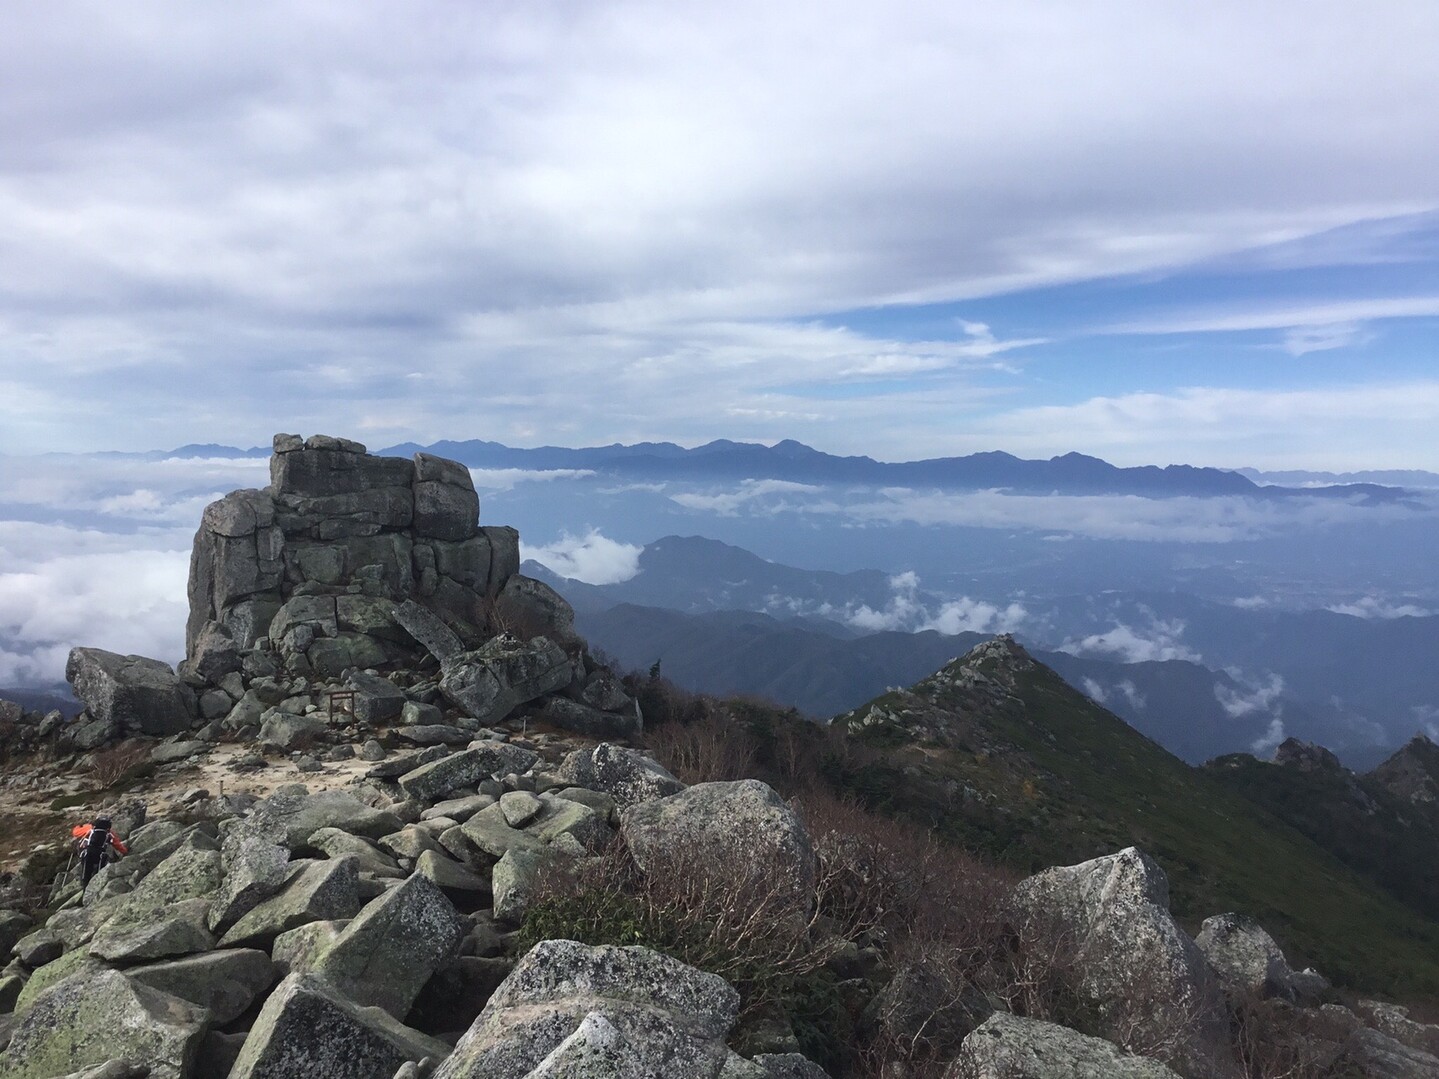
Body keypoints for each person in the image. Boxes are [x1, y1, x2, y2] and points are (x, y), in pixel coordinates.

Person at [70, 816, 129, 886]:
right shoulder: (109, 833)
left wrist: (79, 826)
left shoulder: (89, 829)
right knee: (101, 864)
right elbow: (118, 845)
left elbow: (75, 832)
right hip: (99, 856)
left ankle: (85, 884)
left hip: (87, 854)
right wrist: (125, 852)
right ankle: (98, 881)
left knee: (86, 871)